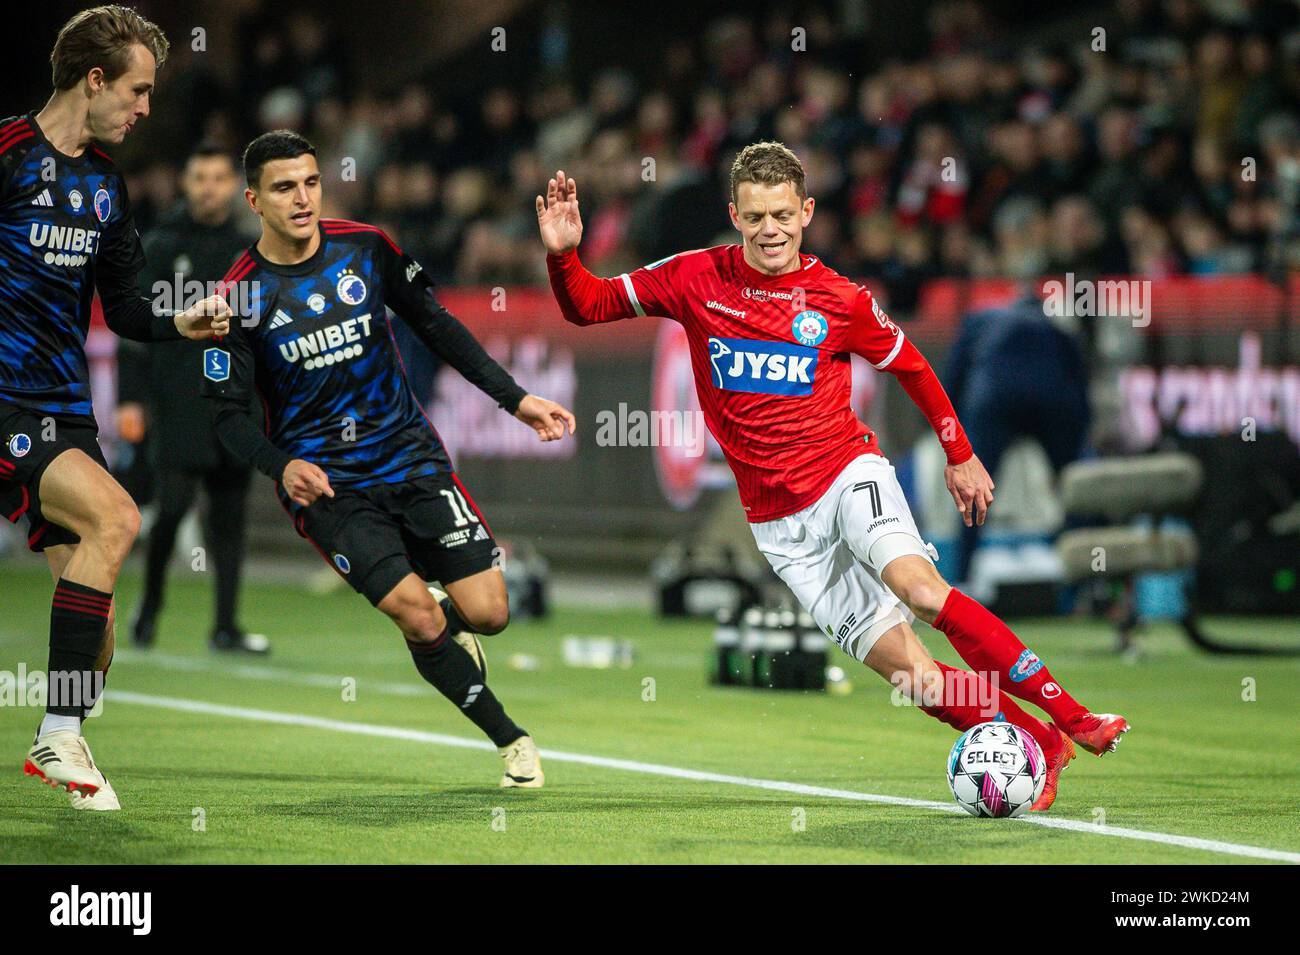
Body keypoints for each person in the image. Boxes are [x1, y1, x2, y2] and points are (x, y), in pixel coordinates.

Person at [539, 142, 1129, 812]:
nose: (771, 229)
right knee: (919, 679)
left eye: (784, 214)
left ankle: (1077, 715)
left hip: (847, 472)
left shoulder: (838, 298)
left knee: (923, 591)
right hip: (782, 528)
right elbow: (586, 304)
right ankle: (1039, 740)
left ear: (807, 212)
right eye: (757, 215)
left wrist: (961, 453)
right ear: (735, 213)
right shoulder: (692, 277)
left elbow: (911, 365)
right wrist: (564, 256)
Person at [203, 130, 575, 788]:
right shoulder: (238, 296)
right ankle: (510, 737)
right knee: (416, 611)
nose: (303, 198)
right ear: (254, 199)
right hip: (330, 488)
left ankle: (450, 628)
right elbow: (226, 414)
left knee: (490, 612)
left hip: (410, 458)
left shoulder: (366, 249)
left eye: (311, 182)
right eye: (285, 187)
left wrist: (514, 399)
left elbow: (435, 324)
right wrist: (281, 465)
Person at [2, 6, 232, 812]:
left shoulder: (105, 185)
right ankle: (57, 731)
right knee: (121, 518)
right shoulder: (6, 156)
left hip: (66, 413)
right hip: (5, 401)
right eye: (136, 91)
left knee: (94, 641)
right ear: (93, 79)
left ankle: (66, 726)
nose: (144, 109)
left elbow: (125, 307)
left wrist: (181, 319)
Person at [118, 144, 268, 653]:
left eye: (218, 177)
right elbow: (132, 327)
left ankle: (226, 626)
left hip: (235, 402)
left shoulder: (253, 251)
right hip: (178, 400)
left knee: (229, 516)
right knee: (174, 509)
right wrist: (130, 398)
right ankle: (150, 603)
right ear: (186, 182)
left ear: (234, 186)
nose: (208, 187)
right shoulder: (160, 246)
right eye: (199, 176)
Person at [945, 292, 1091, 585]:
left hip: (994, 399)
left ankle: (961, 581)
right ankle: (1084, 582)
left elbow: (953, 375)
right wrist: (1075, 449)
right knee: (1073, 491)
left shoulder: (982, 319)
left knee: (974, 490)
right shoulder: (1055, 329)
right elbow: (1079, 385)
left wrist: (952, 431)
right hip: (1052, 401)